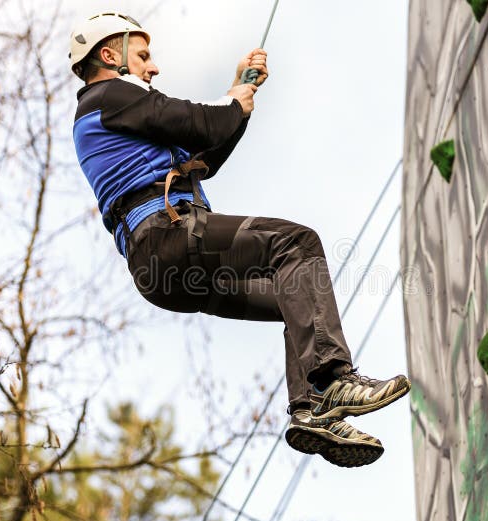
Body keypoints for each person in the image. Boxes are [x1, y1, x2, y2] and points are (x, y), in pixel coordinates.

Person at [70, 13, 410, 468]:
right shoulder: (109, 95)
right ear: (110, 55)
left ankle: (310, 411)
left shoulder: (117, 113)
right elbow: (198, 122)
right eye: (144, 56)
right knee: (297, 244)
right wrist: (233, 101)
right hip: (168, 238)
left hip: (161, 270)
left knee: (294, 294)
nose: (154, 67)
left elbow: (203, 156)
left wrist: (239, 101)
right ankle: (332, 380)